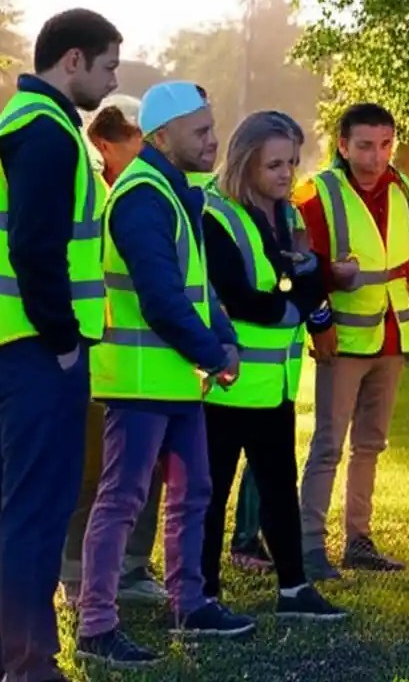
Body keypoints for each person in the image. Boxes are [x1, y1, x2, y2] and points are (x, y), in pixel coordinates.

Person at [0, 8, 121, 682]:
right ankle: (29, 666)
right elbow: (34, 248)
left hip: (5, 341)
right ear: (73, 60)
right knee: (36, 508)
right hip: (35, 349)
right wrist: (61, 340)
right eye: (108, 65)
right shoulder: (49, 131)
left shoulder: (27, 120)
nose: (112, 82)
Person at [75, 81, 256, 668]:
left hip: (174, 377)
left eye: (212, 126)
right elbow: (159, 299)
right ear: (160, 136)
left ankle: (189, 603)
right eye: (200, 131)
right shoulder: (143, 196)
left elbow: (196, 291)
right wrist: (215, 353)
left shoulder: (176, 193)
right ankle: (96, 624)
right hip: (138, 381)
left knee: (193, 492)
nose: (214, 140)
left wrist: (221, 340)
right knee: (122, 501)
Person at [197, 110, 347, 619]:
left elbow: (308, 280)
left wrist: (298, 288)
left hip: (273, 384)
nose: (287, 174)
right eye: (274, 165)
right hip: (224, 382)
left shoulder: (288, 216)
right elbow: (237, 297)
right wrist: (293, 298)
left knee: (279, 489)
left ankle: (293, 590)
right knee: (210, 495)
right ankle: (203, 594)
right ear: (245, 164)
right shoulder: (214, 214)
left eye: (292, 162)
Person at [296, 103, 409, 580]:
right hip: (344, 336)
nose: (376, 157)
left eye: (386, 144)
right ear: (344, 146)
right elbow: (301, 268)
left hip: (392, 331)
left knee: (371, 444)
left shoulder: (402, 186)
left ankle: (359, 540)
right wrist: (323, 317)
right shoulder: (317, 193)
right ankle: (310, 547)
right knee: (328, 444)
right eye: (366, 146)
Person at [60, 104, 166, 608]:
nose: (143, 147)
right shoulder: (96, 197)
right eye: (135, 139)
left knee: (145, 469)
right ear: (105, 144)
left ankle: (131, 567)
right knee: (93, 473)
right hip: (101, 359)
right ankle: (78, 577)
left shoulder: (151, 193)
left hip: (145, 362)